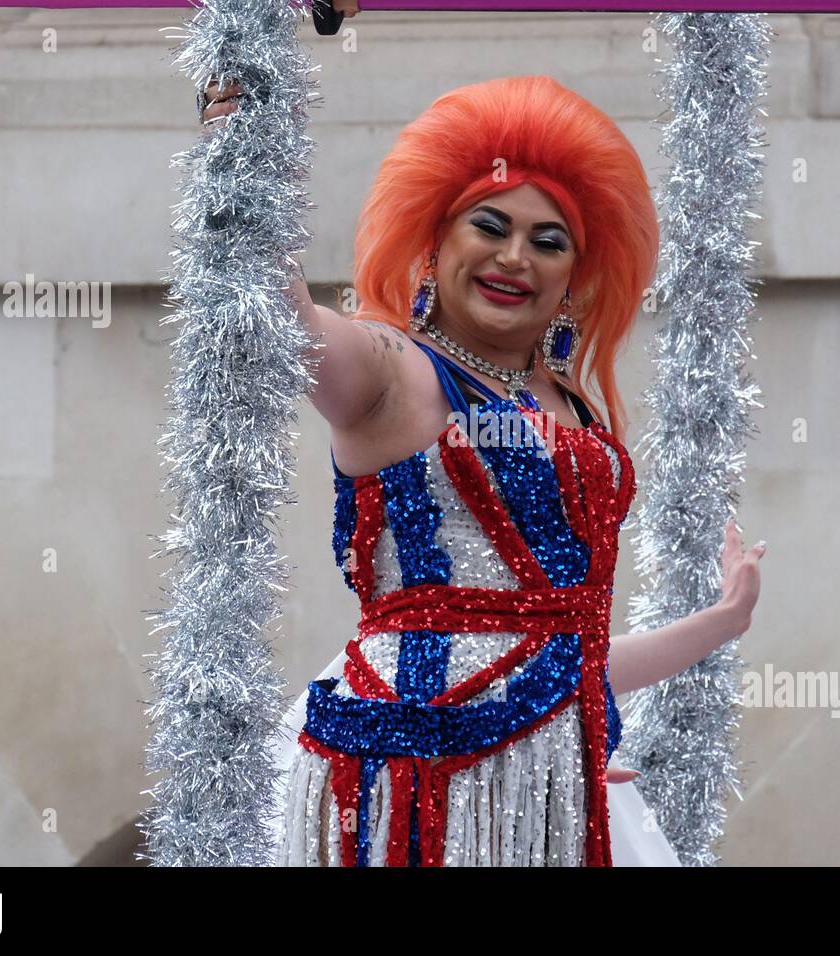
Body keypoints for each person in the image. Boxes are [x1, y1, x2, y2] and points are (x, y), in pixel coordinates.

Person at [199, 72, 765, 866]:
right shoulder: (395, 369)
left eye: (548, 240)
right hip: (418, 776)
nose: (514, 257)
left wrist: (720, 622)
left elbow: (569, 649)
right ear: (434, 244)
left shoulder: (569, 402)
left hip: (565, 784)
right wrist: (242, 160)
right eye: (489, 226)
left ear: (573, 278)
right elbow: (282, 318)